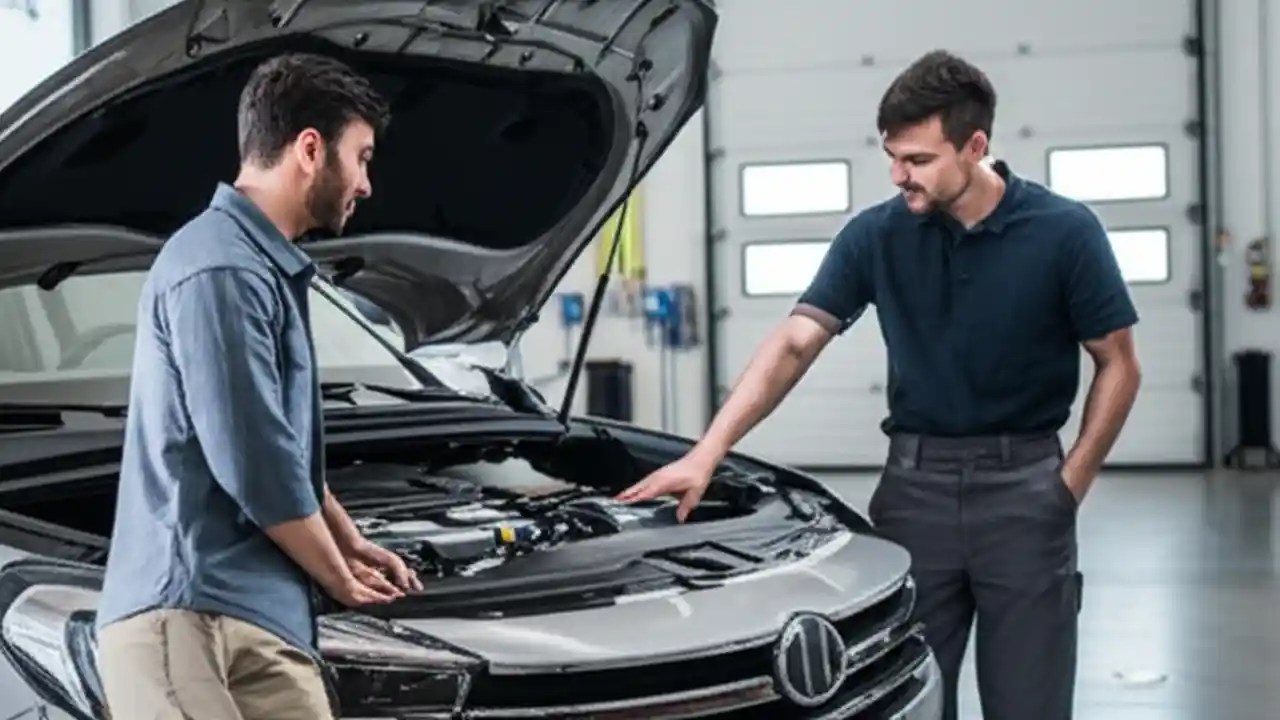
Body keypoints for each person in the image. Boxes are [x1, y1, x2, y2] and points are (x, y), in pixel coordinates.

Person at [618, 49, 1142, 720]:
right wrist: (706, 452)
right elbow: (793, 343)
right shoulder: (878, 234)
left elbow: (1119, 362)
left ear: (976, 145)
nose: (899, 176)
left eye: (917, 160)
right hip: (913, 494)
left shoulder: (1065, 233)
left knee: (1030, 705)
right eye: (892, 157)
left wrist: (1068, 486)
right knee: (902, 696)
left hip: (1027, 495)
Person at [96, 53, 423, 720]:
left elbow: (279, 440)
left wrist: (347, 538)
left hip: (262, 617)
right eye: (361, 157)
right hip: (187, 614)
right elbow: (252, 457)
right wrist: (338, 575)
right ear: (310, 149)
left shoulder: (261, 269)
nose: (366, 182)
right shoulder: (218, 265)